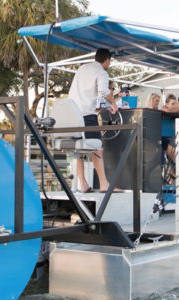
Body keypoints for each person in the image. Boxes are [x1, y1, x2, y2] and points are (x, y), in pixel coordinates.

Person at [68, 48, 119, 193]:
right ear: (107, 60)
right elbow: (103, 92)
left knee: (77, 149)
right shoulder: (102, 72)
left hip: (72, 112)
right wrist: (113, 103)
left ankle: (82, 184)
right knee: (98, 148)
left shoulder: (82, 68)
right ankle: (104, 184)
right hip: (86, 114)